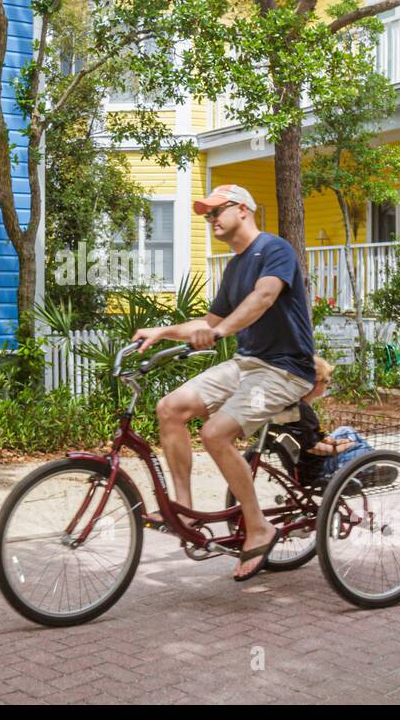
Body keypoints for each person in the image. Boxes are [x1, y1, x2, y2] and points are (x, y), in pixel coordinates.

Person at [131, 184, 316, 582]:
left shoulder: (274, 250)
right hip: (247, 364)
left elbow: (264, 298)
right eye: (206, 215)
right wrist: (162, 332)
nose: (211, 219)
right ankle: (183, 509)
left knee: (215, 434)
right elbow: (210, 324)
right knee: (170, 408)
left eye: (217, 211)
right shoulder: (233, 267)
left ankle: (259, 526)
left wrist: (221, 332)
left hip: (284, 369)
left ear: (243, 210)